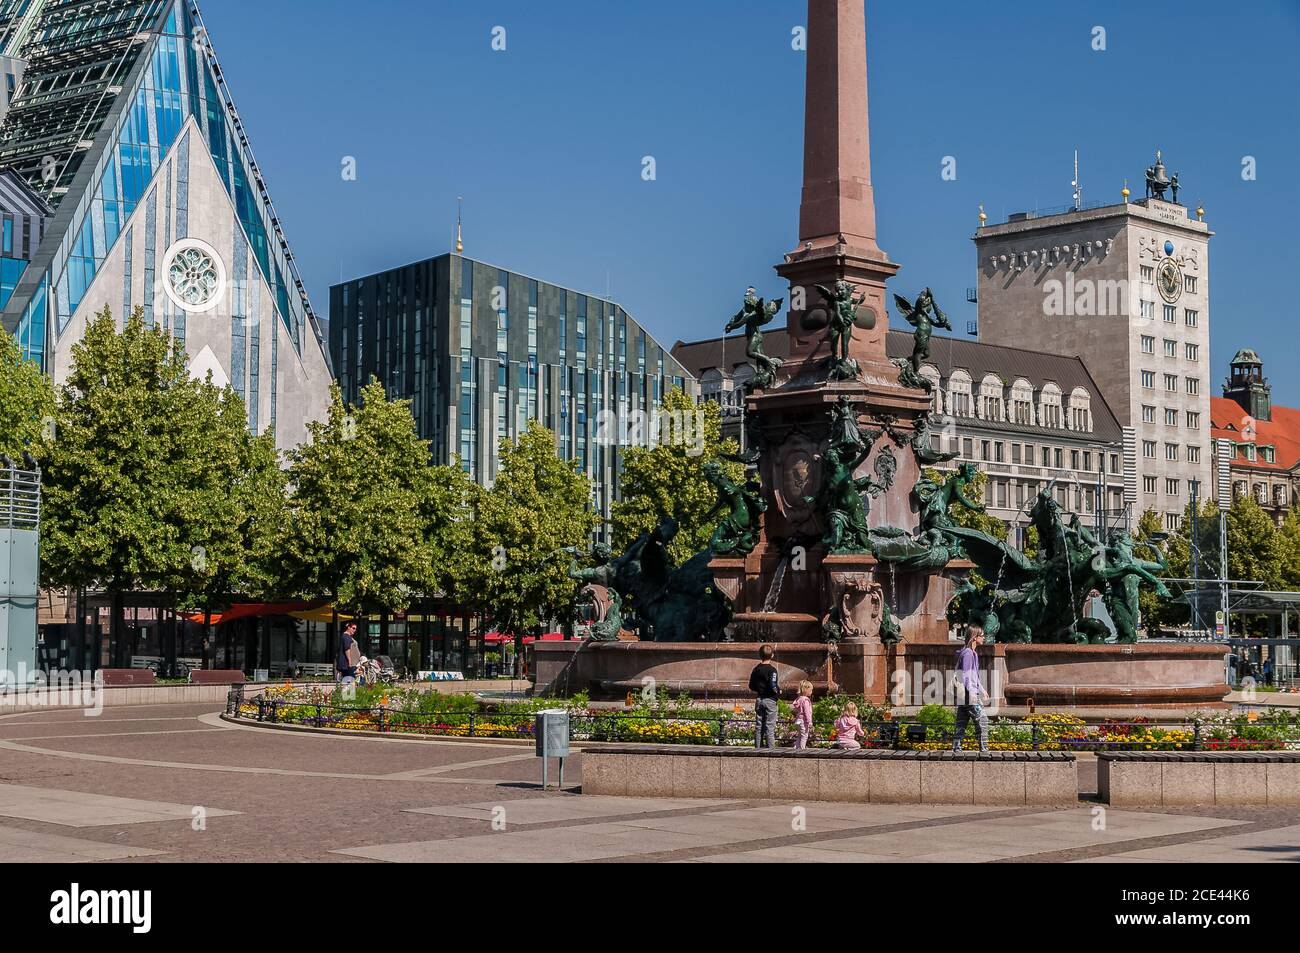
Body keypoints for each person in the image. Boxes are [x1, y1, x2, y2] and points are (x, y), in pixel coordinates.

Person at [953, 628, 990, 752]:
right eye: (982, 635)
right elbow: (966, 675)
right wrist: (972, 692)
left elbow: (975, 676)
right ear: (975, 637)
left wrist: (982, 690)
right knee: (982, 719)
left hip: (964, 694)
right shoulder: (968, 653)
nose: (983, 638)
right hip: (969, 694)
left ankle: (956, 748)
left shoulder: (971, 652)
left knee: (961, 722)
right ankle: (984, 748)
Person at [748, 644, 780, 749]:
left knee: (759, 726)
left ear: (760, 655)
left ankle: (757, 749)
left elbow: (751, 685)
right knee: (769, 727)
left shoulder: (756, 669)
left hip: (759, 699)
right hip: (770, 700)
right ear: (772, 655)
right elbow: (773, 685)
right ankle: (770, 751)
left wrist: (759, 689)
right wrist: (778, 692)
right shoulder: (772, 670)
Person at [792, 680, 814, 750]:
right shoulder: (806, 700)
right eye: (811, 690)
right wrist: (809, 722)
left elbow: (795, 710)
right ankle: (802, 749)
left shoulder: (799, 699)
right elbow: (806, 712)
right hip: (803, 721)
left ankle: (796, 748)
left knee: (800, 736)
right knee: (804, 736)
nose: (811, 692)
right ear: (806, 690)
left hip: (798, 720)